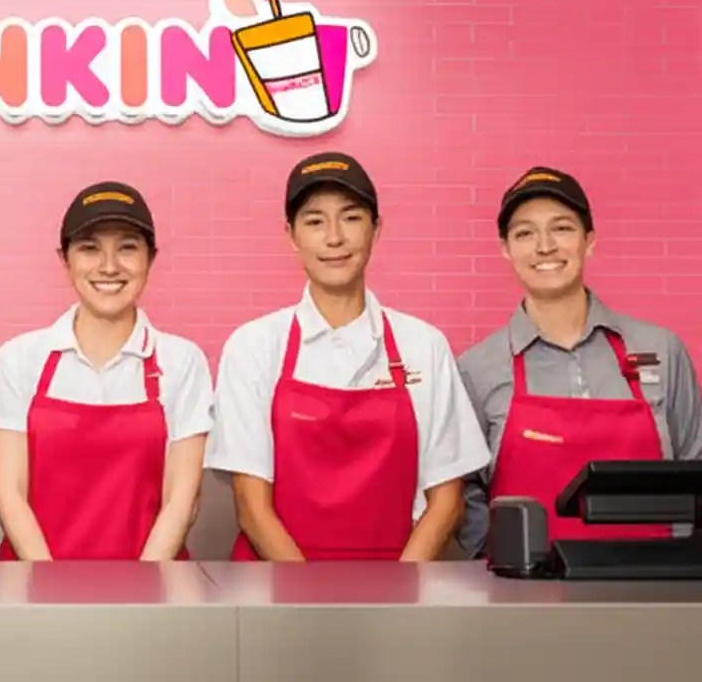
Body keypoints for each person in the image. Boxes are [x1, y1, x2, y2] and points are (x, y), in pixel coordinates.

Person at [205, 152, 491, 561]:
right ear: (291, 235)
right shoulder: (253, 347)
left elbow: (447, 502)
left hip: (396, 592)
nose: (334, 237)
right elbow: (251, 507)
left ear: (377, 229)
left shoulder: (424, 346)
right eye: (315, 221)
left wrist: (393, 600)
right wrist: (312, 606)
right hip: (273, 596)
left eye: (351, 217)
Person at [456, 166, 702, 555]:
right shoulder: (476, 369)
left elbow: (694, 464)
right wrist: (497, 553)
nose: (545, 246)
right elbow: (463, 488)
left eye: (562, 228)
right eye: (525, 233)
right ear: (505, 248)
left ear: (589, 241)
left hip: (656, 592)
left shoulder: (662, 350)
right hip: (525, 601)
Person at [0, 181, 213, 561]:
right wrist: (51, 591)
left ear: (152, 257)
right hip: (34, 589)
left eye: (128, 248)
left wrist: (143, 594)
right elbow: (11, 495)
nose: (110, 266)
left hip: (153, 590)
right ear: (65, 259)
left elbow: (181, 500)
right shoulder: (18, 360)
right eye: (90, 248)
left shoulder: (182, 362)